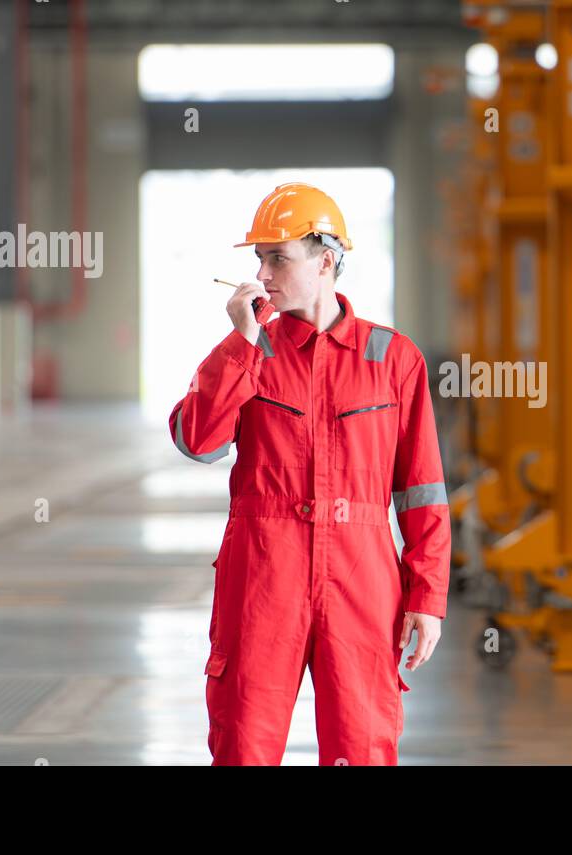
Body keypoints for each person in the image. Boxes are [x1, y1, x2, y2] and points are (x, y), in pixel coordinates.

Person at [168, 182, 450, 765]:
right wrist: (239, 343)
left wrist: (428, 594)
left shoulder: (393, 359)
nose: (263, 274)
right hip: (263, 576)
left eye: (279, 257)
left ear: (325, 261)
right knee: (244, 740)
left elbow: (421, 490)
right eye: (259, 259)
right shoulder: (252, 353)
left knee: (363, 743)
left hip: (361, 578)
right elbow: (195, 440)